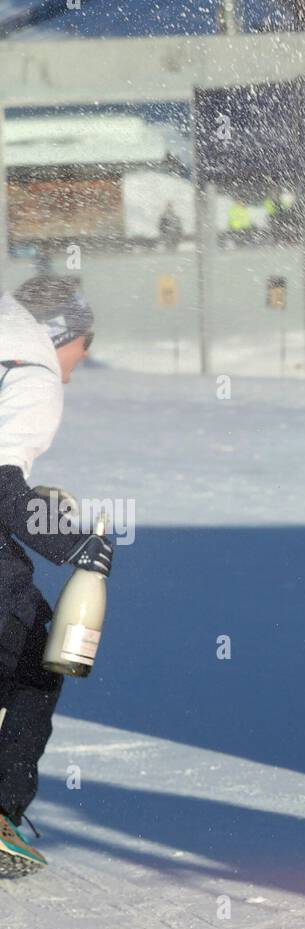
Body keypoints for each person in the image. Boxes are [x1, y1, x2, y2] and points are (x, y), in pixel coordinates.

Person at [0, 275, 113, 876]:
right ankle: (2, 811)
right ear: (62, 334)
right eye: (83, 341)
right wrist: (79, 548)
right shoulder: (34, 365)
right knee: (31, 655)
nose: (84, 357)